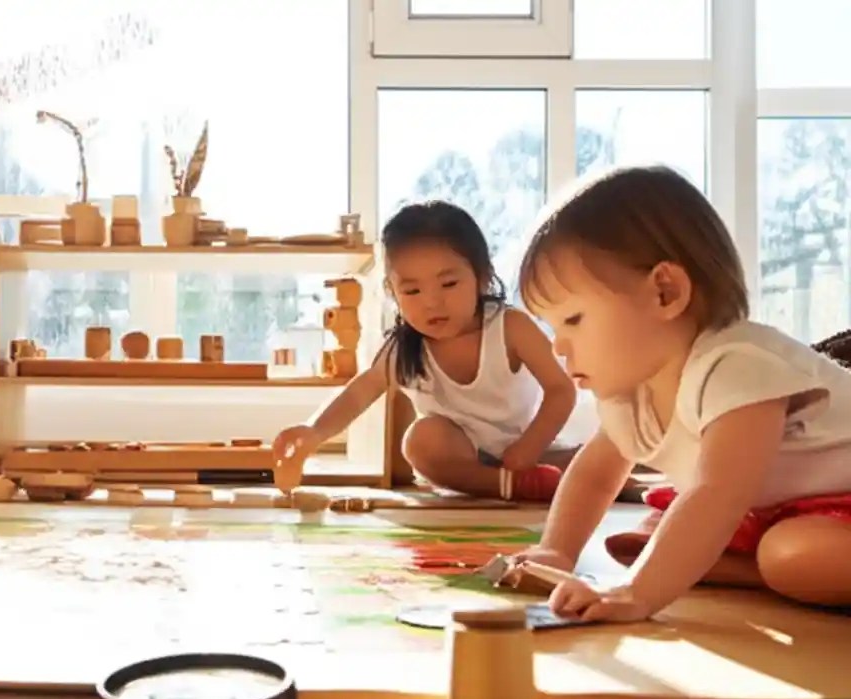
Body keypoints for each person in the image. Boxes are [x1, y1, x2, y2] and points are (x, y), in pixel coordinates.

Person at [515, 164, 851, 622]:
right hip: (777, 508)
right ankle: (744, 561)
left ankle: (759, 570)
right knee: (665, 536)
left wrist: (637, 593)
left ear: (665, 292)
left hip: (832, 504)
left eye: (573, 320)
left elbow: (719, 492)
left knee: (786, 554)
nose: (558, 345)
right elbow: (594, 476)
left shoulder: (737, 365)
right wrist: (555, 552)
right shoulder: (630, 392)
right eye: (551, 327)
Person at [272, 200, 578, 501]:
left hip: (535, 448)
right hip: (462, 462)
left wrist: (528, 450)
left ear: (481, 277)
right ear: (393, 294)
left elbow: (561, 390)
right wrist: (314, 432)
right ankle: (509, 485)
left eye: (448, 284)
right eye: (412, 291)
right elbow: (359, 393)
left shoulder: (510, 326)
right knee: (420, 442)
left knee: (602, 460)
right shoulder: (404, 348)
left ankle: (535, 480)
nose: (431, 302)